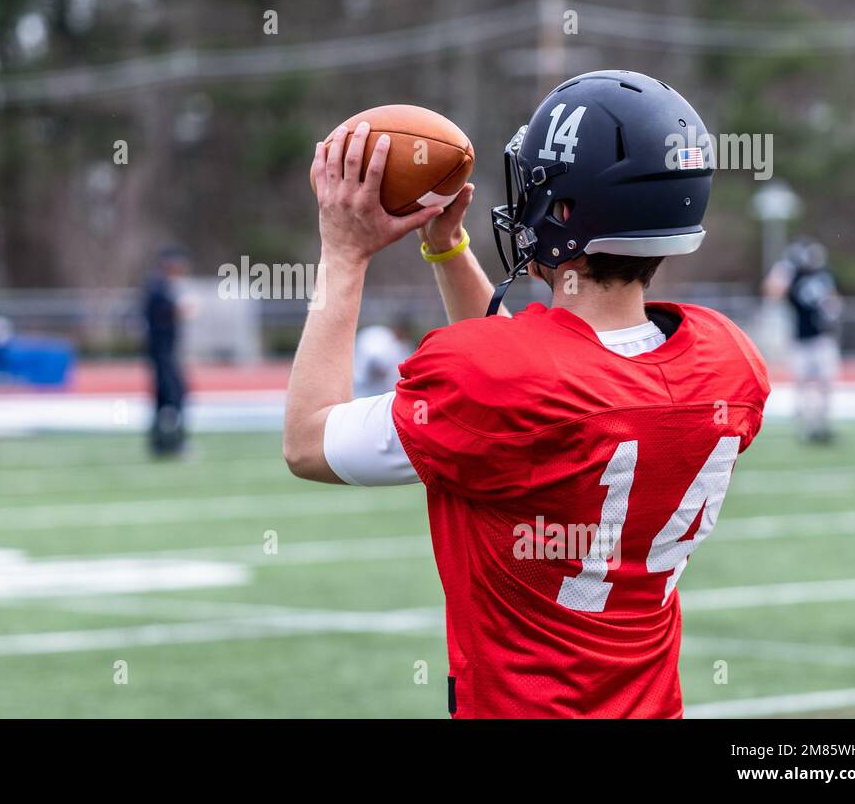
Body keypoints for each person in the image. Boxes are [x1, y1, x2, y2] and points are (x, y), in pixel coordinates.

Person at [282, 71, 771, 718]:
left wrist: (343, 255)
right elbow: (543, 384)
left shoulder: (494, 379)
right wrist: (447, 247)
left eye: (538, 188)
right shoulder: (727, 363)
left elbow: (309, 442)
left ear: (563, 214)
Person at [763, 238, 841, 443]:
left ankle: (823, 423)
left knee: (826, 383)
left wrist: (833, 311)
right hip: (800, 339)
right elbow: (772, 292)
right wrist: (783, 270)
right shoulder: (792, 277)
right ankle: (805, 426)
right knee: (802, 384)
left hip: (823, 338)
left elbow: (833, 301)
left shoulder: (824, 276)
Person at [143, 246, 191, 457]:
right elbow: (174, 311)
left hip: (165, 354)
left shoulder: (162, 287)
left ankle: (163, 443)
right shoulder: (158, 288)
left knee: (170, 397)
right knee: (172, 397)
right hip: (162, 355)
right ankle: (169, 443)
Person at [352, 323, 410, 398]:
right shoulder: (380, 336)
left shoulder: (401, 347)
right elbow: (374, 362)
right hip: (360, 387)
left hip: (376, 390)